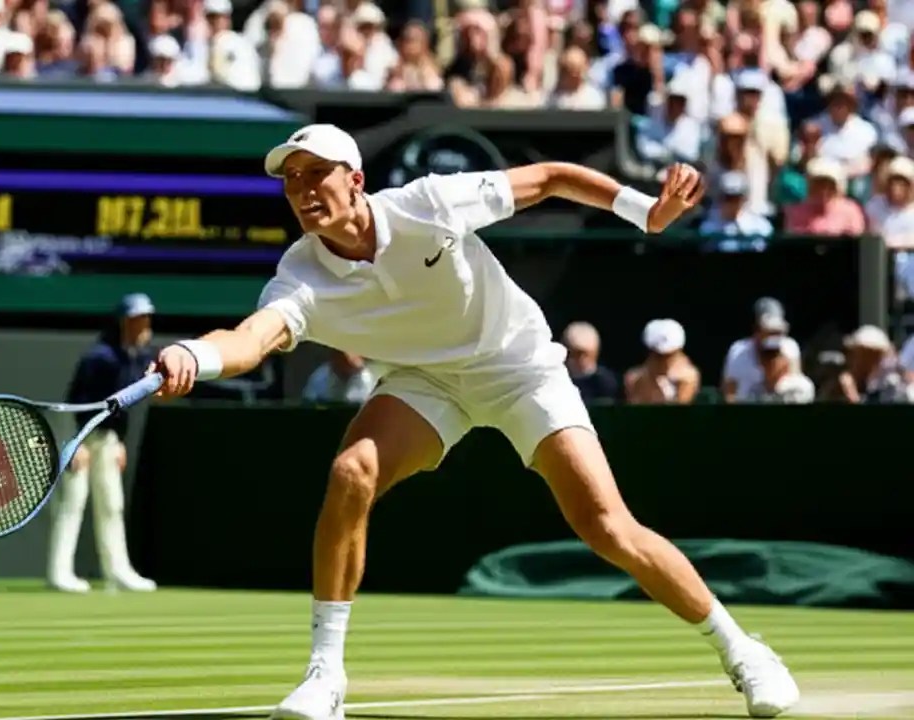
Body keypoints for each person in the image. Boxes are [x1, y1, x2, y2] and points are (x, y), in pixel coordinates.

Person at [145, 124, 799, 720]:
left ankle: (745, 652)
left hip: (518, 365)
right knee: (352, 472)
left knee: (606, 526)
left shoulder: (429, 203)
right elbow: (251, 339)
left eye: (317, 173)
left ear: (355, 179)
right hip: (427, 383)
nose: (303, 189)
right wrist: (195, 355)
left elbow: (549, 178)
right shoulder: (300, 276)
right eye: (292, 179)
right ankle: (325, 675)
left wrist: (644, 211)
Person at [46, 293, 159, 593]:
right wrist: (76, 445)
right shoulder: (99, 358)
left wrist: (118, 441)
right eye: (138, 319)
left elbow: (121, 407)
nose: (144, 325)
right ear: (124, 322)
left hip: (106, 438)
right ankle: (59, 573)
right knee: (73, 502)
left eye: (147, 318)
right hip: (79, 433)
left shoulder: (139, 358)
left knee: (111, 504)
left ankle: (118, 571)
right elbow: (77, 403)